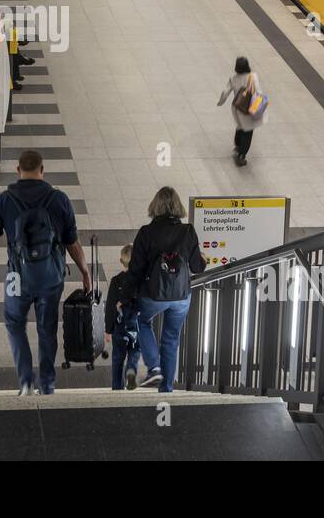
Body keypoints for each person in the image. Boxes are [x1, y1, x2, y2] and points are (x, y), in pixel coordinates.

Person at [0, 149, 91, 397]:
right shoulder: (59, 199)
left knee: (14, 323)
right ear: (42, 170)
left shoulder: (6, 200)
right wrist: (85, 272)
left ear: (18, 170)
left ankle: (26, 382)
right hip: (51, 278)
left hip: (16, 277)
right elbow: (73, 243)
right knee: (46, 329)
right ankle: (48, 384)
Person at [125, 188, 206, 392]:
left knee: (141, 321)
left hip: (153, 295)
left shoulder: (146, 232)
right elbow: (197, 267)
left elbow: (135, 269)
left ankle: (154, 368)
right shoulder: (188, 231)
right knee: (171, 338)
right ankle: (167, 389)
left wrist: (126, 296)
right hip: (180, 296)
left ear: (155, 206)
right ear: (177, 206)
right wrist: (202, 258)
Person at [105, 244, 142, 390]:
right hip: (136, 323)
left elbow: (110, 307)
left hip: (119, 326)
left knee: (118, 358)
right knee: (135, 350)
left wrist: (108, 329)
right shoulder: (141, 281)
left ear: (121, 261)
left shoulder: (116, 281)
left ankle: (116, 388)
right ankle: (131, 370)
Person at [216, 56, 264, 167]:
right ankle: (241, 155)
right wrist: (257, 110)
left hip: (237, 107)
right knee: (248, 132)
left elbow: (225, 92)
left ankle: (237, 146)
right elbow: (259, 94)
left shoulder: (233, 77)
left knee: (240, 126)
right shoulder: (252, 77)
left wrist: (221, 102)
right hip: (247, 109)